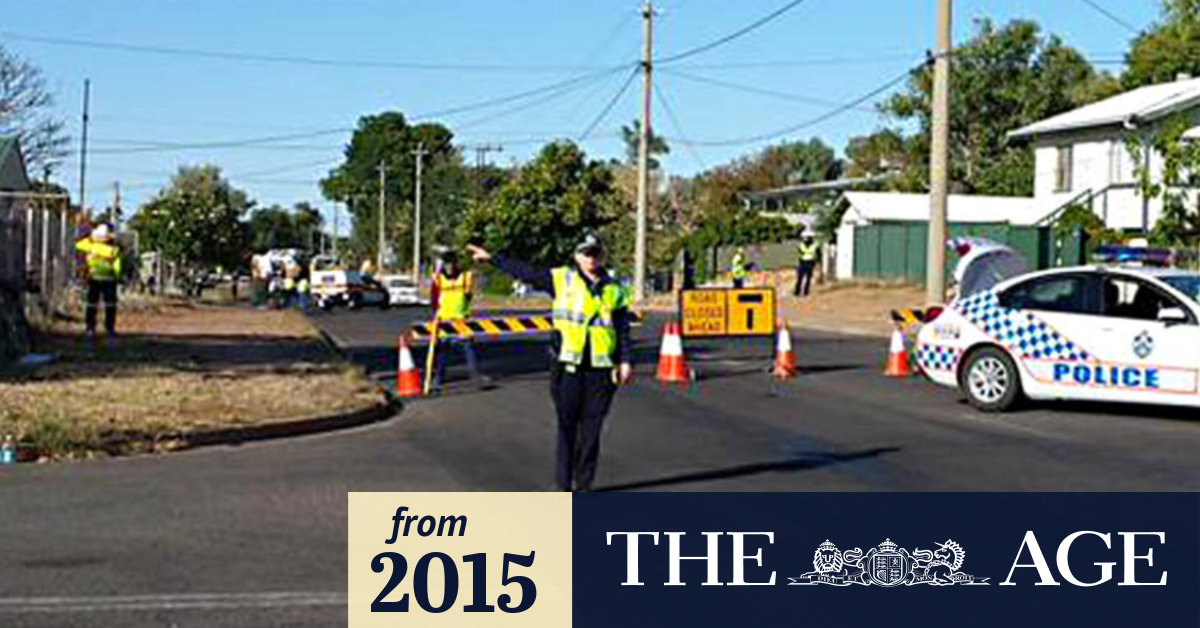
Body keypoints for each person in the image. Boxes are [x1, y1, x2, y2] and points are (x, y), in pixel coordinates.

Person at [468, 234, 633, 492]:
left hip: (600, 370)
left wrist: (624, 361)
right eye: (586, 253)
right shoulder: (562, 279)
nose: (591, 258)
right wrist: (493, 259)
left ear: (603, 256)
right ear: (577, 256)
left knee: (592, 432)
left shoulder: (615, 290)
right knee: (567, 429)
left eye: (595, 253)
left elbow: (622, 328)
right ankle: (562, 485)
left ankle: (585, 486)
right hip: (567, 367)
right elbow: (527, 272)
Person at [429, 251, 486, 390]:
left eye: (451, 264)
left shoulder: (465, 277)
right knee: (443, 351)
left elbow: (468, 296)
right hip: (444, 319)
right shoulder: (438, 279)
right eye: (446, 264)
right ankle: (438, 379)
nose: (449, 267)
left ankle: (475, 377)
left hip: (461, 319)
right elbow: (434, 299)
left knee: (468, 349)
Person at [75, 223, 122, 342]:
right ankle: (109, 328)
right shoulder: (113, 250)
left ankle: (90, 327)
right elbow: (117, 266)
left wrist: (90, 237)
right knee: (110, 305)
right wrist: (117, 276)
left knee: (92, 304)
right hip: (109, 279)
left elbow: (79, 245)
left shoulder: (91, 247)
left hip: (94, 278)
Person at [795, 232, 820, 298]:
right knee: (800, 278)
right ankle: (797, 292)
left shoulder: (815, 245)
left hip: (810, 263)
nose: (806, 239)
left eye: (807, 238)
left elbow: (818, 254)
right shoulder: (801, 245)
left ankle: (805, 293)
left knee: (807, 279)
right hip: (802, 262)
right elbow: (799, 252)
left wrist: (817, 262)